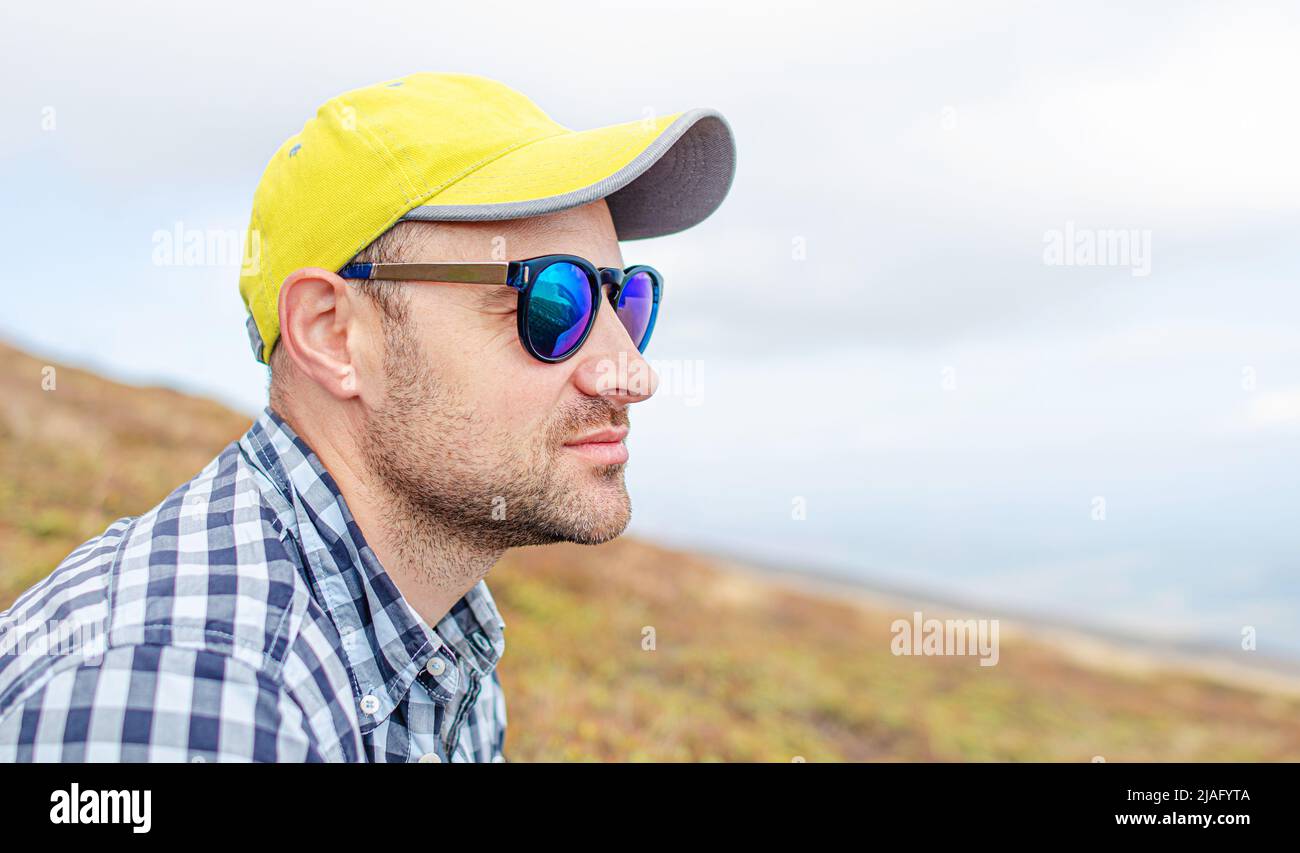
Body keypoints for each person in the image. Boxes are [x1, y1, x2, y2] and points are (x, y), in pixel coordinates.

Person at [0, 72, 735, 762]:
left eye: (626, 299)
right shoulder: (194, 696)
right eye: (554, 301)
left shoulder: (436, 632)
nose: (632, 372)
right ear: (333, 334)